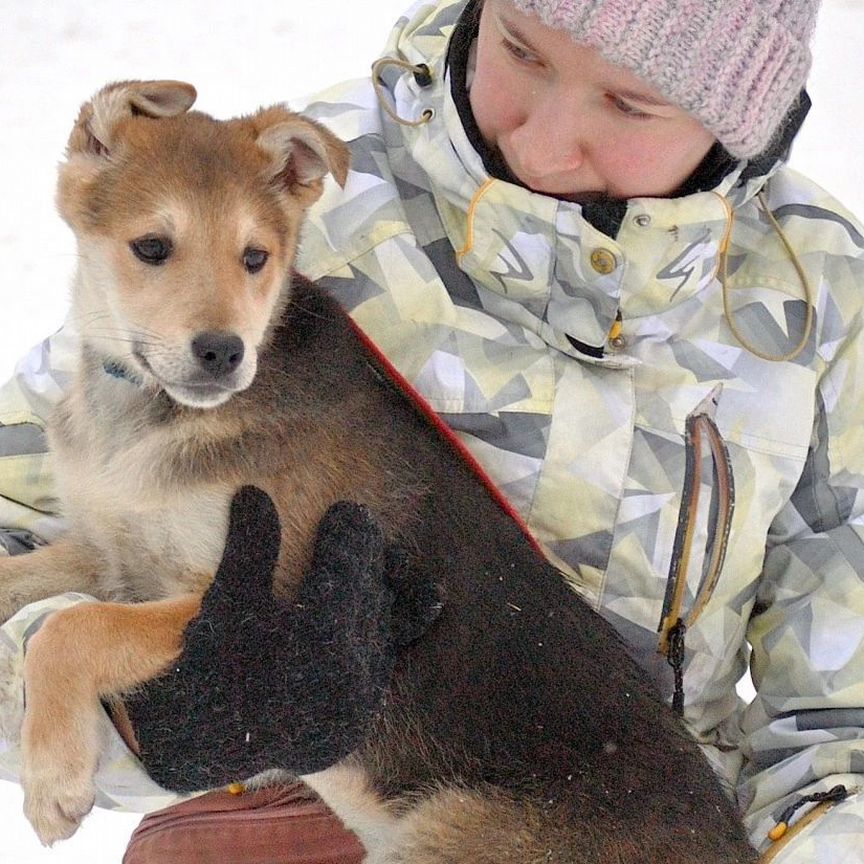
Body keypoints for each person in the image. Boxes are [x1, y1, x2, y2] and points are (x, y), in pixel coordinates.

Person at [1, 0, 863, 861]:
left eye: (630, 105)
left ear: (735, 115)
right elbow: (24, 529)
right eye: (521, 53)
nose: (542, 144)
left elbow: (841, 744)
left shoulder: (820, 298)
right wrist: (122, 709)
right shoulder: (285, 187)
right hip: (254, 825)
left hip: (620, 828)